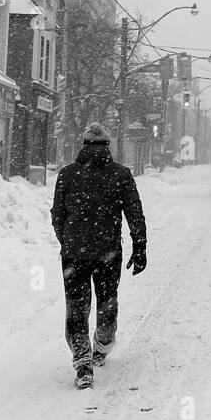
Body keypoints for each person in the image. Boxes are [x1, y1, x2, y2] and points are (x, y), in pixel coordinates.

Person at [51, 123, 147, 389]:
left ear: (83, 146)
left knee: (77, 308)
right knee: (107, 301)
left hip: (75, 254)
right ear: (107, 147)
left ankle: (82, 361)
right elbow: (134, 212)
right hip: (108, 252)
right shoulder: (121, 175)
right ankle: (102, 345)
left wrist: (68, 239)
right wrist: (139, 246)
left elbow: (57, 214)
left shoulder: (67, 175)